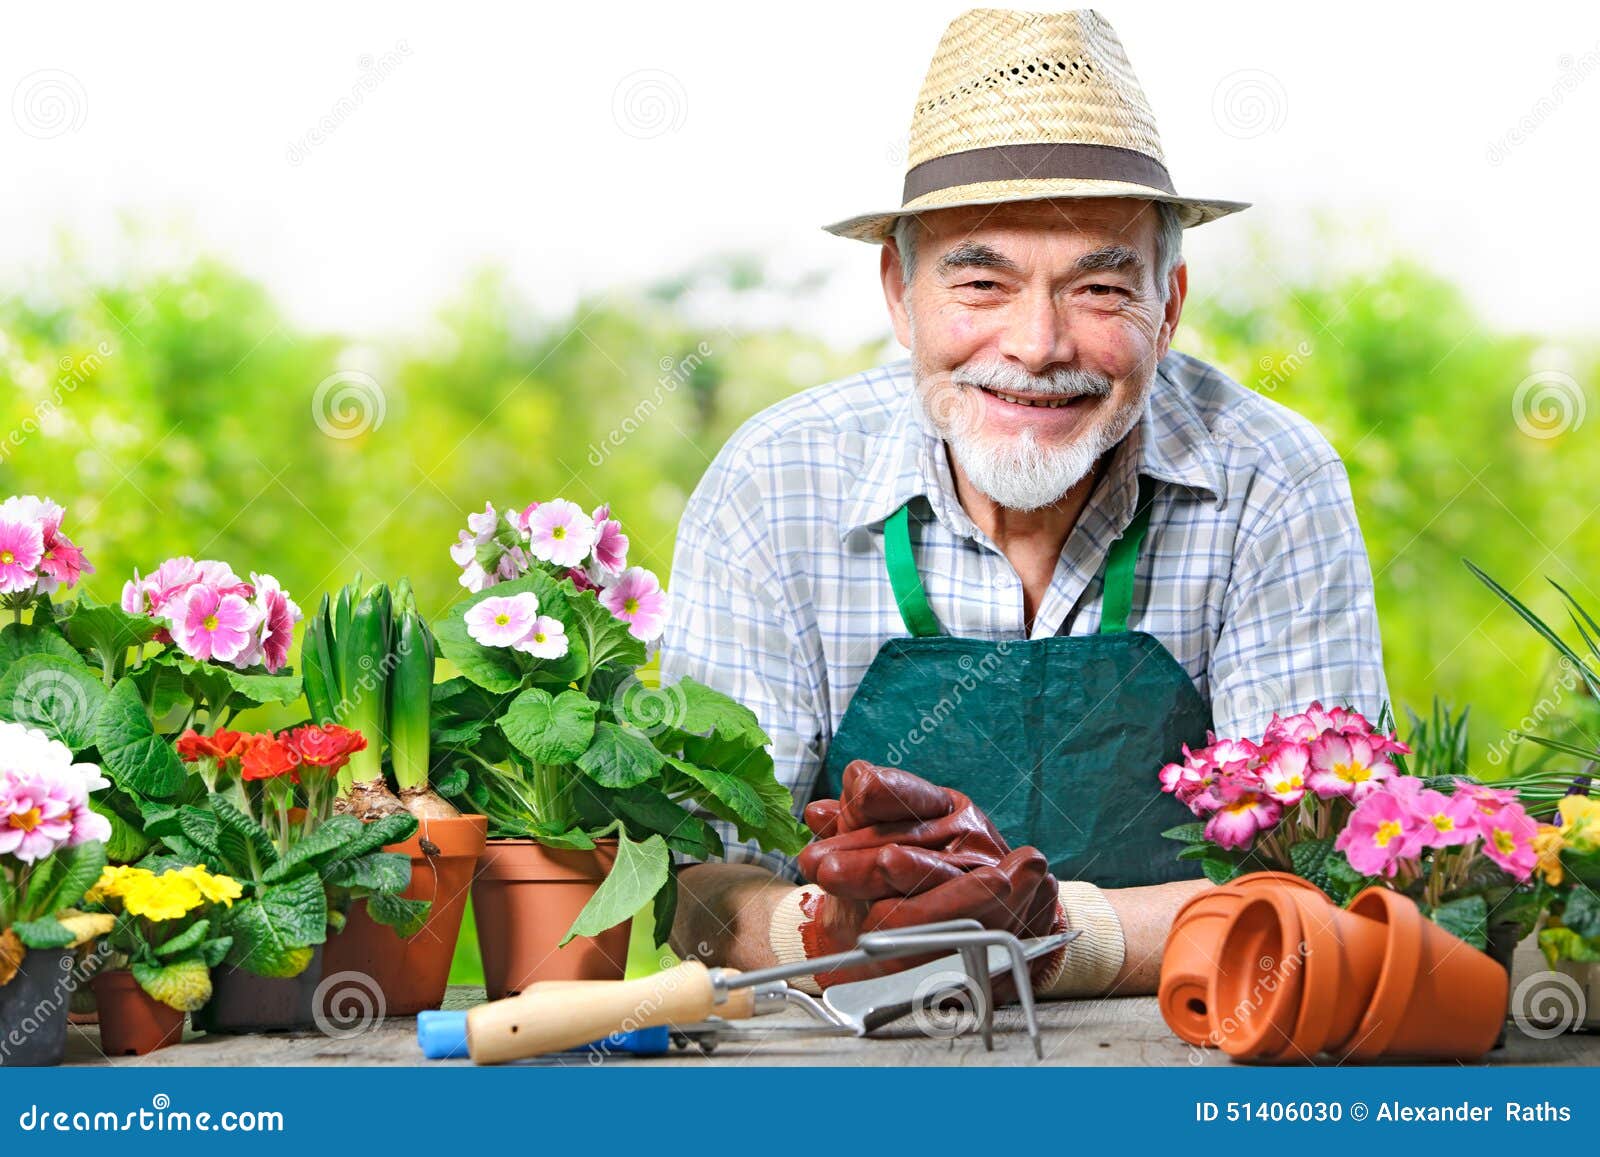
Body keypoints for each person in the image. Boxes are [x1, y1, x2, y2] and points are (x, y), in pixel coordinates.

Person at [660, 8, 1386, 998]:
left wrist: (1046, 935)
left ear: (1169, 304)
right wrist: (830, 929)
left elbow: (1329, 872)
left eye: (1099, 288)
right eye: (982, 282)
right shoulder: (774, 485)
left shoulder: (1270, 480)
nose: (1037, 345)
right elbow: (698, 876)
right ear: (898, 291)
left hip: (1191, 1048)